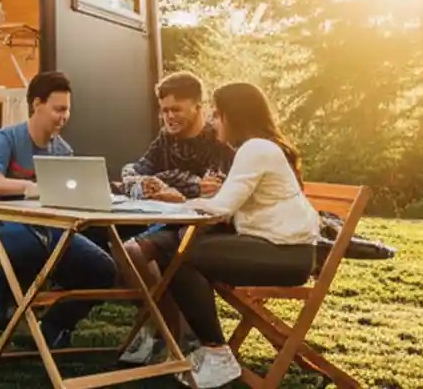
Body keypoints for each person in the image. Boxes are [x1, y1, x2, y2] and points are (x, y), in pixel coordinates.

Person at [116, 82, 320, 388]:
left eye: (217, 113)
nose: (213, 120)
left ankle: (216, 353)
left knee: (183, 253)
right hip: (270, 246)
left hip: (285, 253)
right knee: (183, 246)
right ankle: (207, 349)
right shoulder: (256, 147)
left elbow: (221, 208)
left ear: (232, 116)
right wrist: (186, 200)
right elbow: (222, 203)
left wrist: (179, 200)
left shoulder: (256, 149)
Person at [0, 70, 118, 356]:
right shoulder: (6, 139)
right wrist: (31, 187)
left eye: (67, 111)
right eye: (58, 109)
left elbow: (68, 198)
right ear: (36, 104)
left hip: (53, 232)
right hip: (4, 229)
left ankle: (53, 326)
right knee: (30, 248)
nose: (64, 117)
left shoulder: (63, 151)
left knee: (104, 270)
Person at [120, 71, 234, 202]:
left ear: (198, 107)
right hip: (168, 219)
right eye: (165, 111)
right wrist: (190, 185)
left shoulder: (220, 138)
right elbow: (131, 172)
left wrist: (160, 181)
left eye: (176, 110)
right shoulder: (165, 139)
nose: (169, 117)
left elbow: (217, 189)